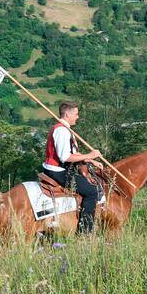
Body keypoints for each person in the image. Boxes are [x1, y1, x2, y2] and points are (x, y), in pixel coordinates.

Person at [41, 100, 102, 233]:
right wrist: (90, 155)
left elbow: (73, 153)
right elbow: (65, 157)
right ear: (67, 115)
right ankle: (85, 231)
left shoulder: (65, 129)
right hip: (57, 171)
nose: (78, 117)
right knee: (91, 192)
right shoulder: (62, 131)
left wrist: (90, 160)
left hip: (59, 168)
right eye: (76, 114)